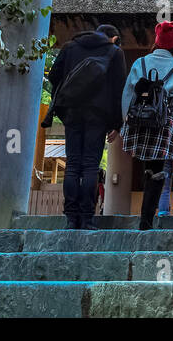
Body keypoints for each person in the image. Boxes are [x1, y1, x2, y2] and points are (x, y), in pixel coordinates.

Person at [45, 23, 126, 230]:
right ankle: (87, 217)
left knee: (72, 165)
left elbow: (54, 76)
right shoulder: (114, 52)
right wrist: (117, 124)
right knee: (90, 165)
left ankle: (71, 218)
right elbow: (119, 90)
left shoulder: (71, 47)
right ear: (114, 38)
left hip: (72, 111)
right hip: (97, 115)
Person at [121, 20, 173, 230]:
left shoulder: (140, 63)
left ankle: (146, 215)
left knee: (146, 165)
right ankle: (146, 218)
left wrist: (124, 123)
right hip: (164, 121)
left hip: (139, 118)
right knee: (158, 167)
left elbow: (127, 95)